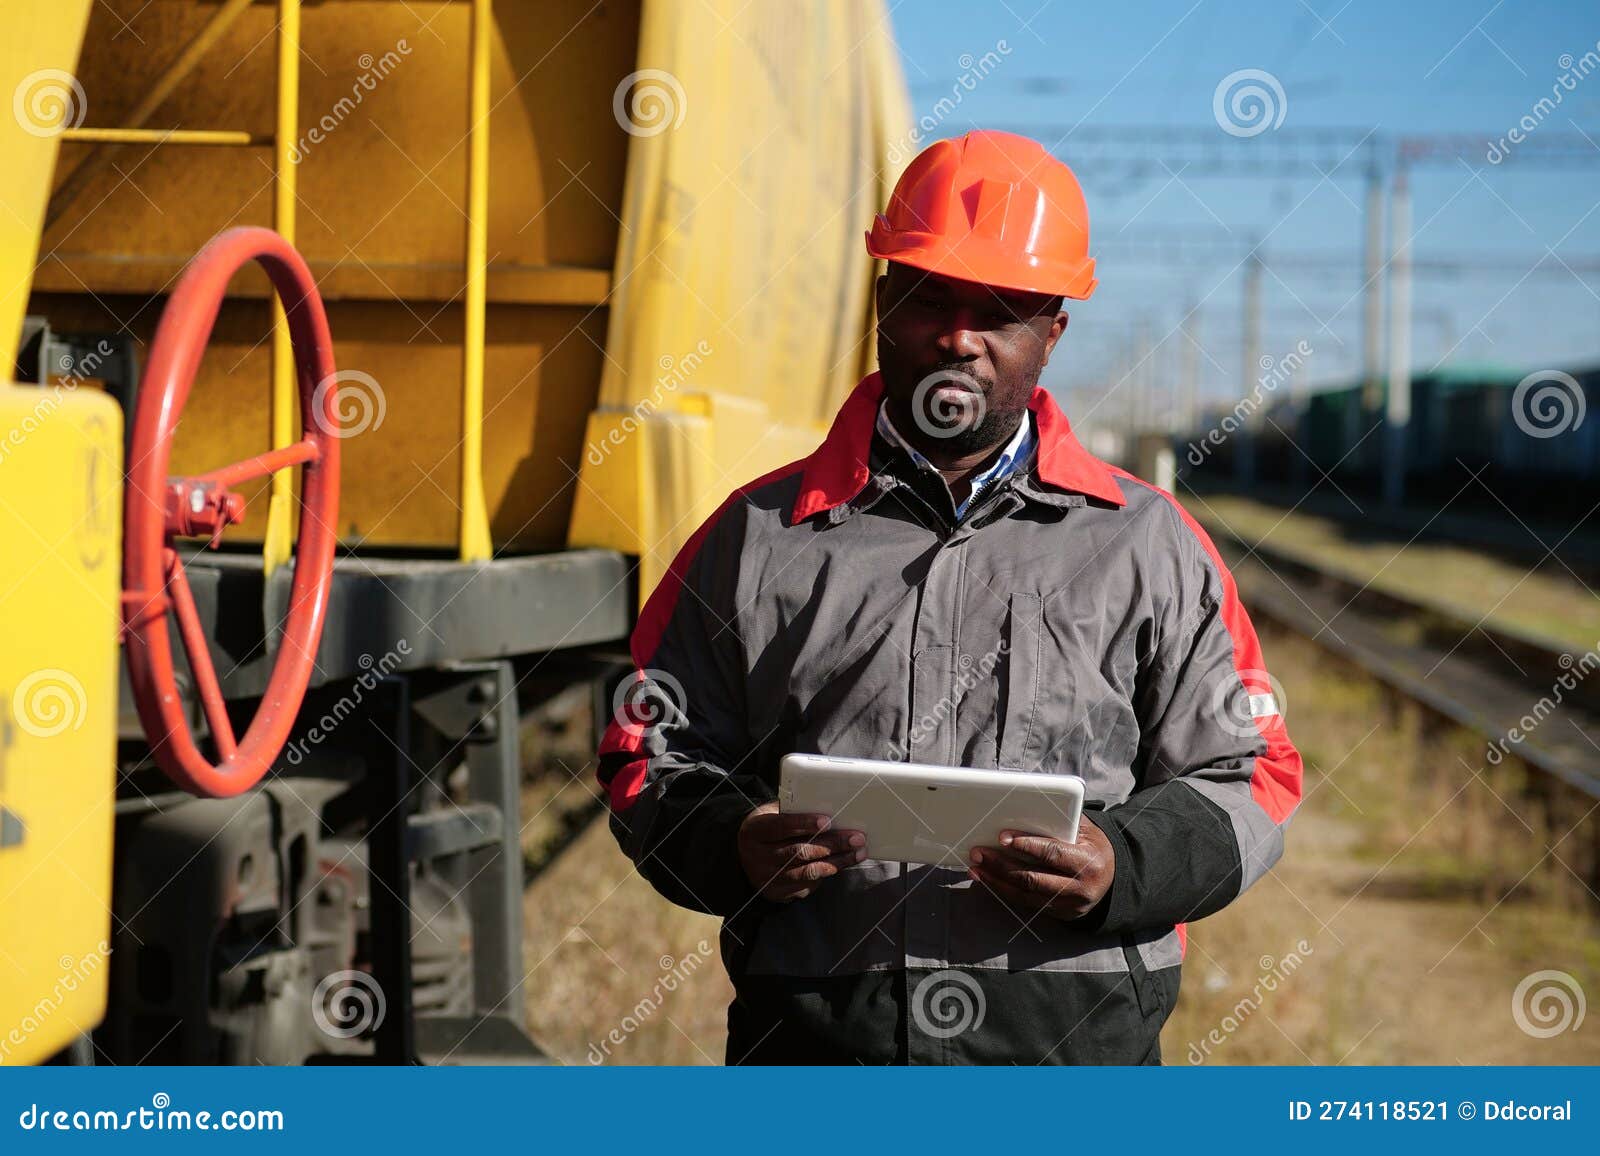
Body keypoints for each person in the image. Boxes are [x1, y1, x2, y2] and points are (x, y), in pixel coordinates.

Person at [598, 129, 1302, 1064]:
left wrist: (1121, 866)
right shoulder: (756, 535)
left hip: (1068, 1053)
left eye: (1001, 310)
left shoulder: (1148, 544)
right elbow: (649, 745)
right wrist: (734, 844)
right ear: (883, 300)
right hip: (818, 1047)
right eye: (931, 296)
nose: (959, 336)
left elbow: (1254, 773)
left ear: (1053, 331)